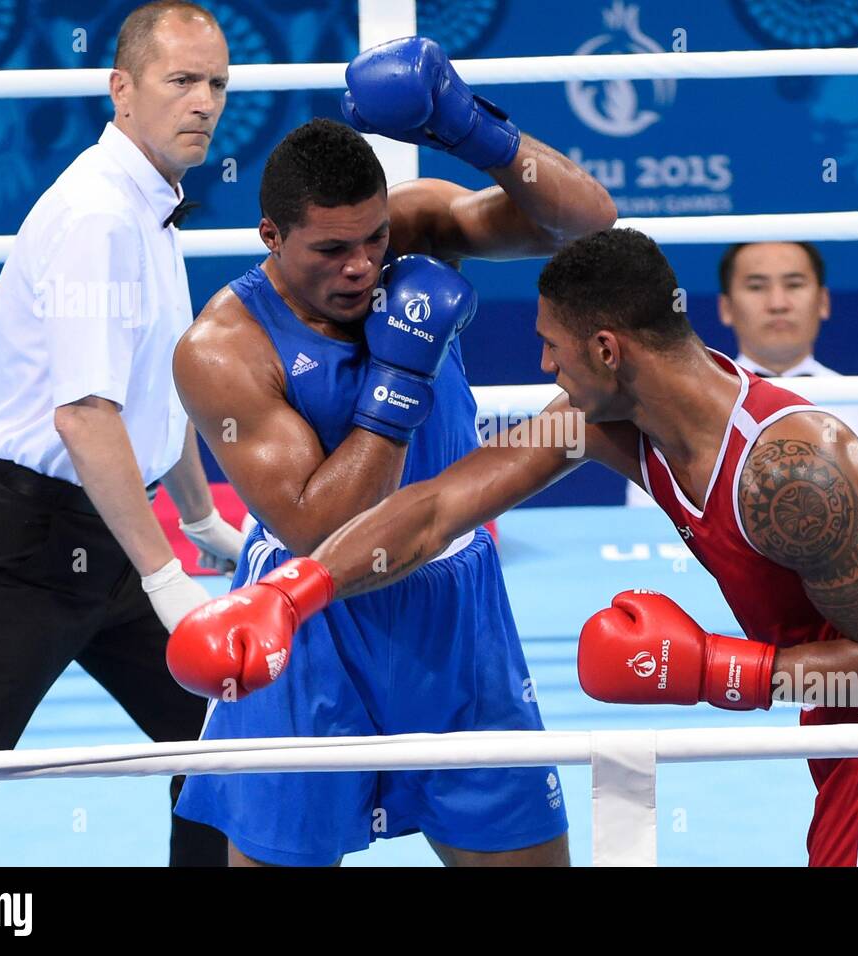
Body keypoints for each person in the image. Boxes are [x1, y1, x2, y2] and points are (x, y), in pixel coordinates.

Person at [173, 228, 858, 867]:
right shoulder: (603, 421)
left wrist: (716, 670)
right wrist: (296, 591)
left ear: (607, 348)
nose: (542, 366)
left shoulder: (789, 474)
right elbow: (436, 508)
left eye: (552, 348)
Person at [168, 36, 617, 867]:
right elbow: (316, 528)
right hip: (307, 617)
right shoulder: (222, 350)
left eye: (373, 240)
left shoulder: (413, 232)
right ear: (271, 235)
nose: (362, 266)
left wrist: (469, 126)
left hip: (450, 594)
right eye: (331, 251)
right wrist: (398, 379)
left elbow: (586, 223)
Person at [0, 1, 238, 866]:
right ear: (122, 89)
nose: (204, 103)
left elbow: (156, 390)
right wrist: (164, 574)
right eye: (181, 81)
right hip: (37, 545)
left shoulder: (150, 205)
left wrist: (197, 523)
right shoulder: (99, 218)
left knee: (225, 748)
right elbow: (85, 417)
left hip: (112, 531)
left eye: (219, 84)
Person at [626, 240, 858, 506]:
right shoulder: (682, 407)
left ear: (823, 301)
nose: (778, 303)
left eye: (794, 284)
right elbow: (650, 525)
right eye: (757, 287)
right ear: (726, 307)